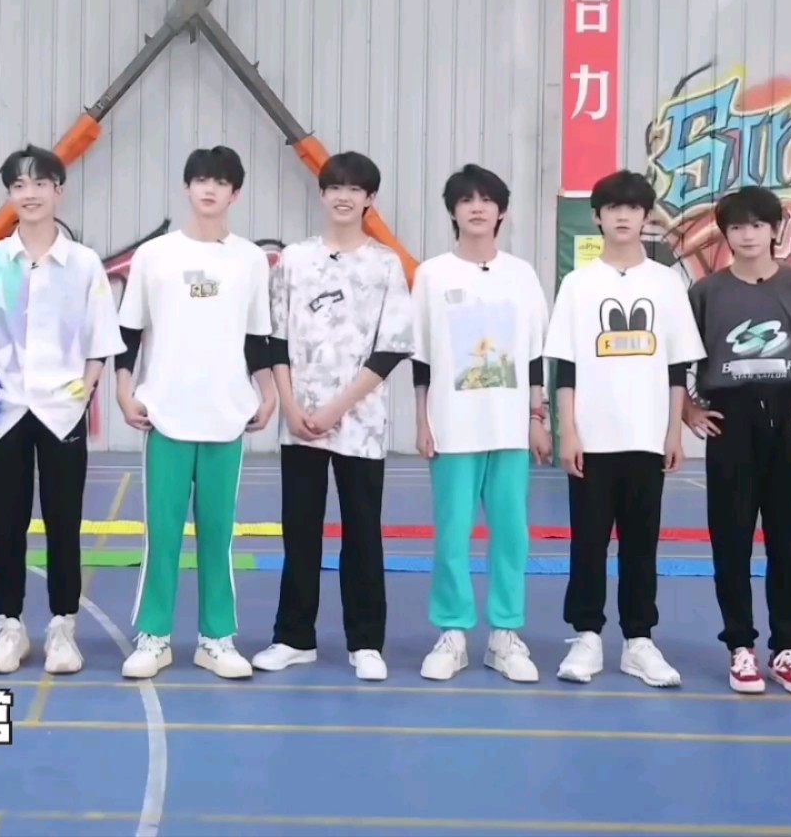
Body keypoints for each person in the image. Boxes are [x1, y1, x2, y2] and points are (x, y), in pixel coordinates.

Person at [0, 145, 125, 675]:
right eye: (18, 185)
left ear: (58, 190)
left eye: (39, 183)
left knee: (63, 522)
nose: (29, 194)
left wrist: (83, 393)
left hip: (61, 412)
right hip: (2, 410)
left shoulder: (83, 264)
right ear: (10, 194)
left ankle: (62, 627)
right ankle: (9, 626)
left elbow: (101, 341)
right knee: (3, 524)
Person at [683, 186, 791, 696]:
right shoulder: (706, 293)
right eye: (737, 226)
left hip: (790, 422)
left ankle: (787, 649)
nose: (747, 235)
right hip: (730, 422)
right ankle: (740, 646)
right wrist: (689, 409)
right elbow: (675, 360)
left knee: (788, 537)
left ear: (775, 230)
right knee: (731, 537)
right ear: (725, 234)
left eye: (757, 225)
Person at [115, 145, 278, 680]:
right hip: (165, 414)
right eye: (201, 179)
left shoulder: (249, 259)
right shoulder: (155, 255)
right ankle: (155, 636)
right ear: (187, 187)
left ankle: (216, 638)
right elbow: (128, 331)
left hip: (226, 416)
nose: (210, 189)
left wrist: (268, 392)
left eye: (221, 181)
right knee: (162, 533)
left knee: (218, 534)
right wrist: (123, 389)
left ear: (236, 193)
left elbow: (258, 337)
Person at [251, 151, 413, 682]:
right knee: (299, 531)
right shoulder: (295, 260)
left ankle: (365, 642)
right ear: (322, 195)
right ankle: (293, 637)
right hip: (300, 423)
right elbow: (275, 337)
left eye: (355, 189)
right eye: (335, 187)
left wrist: (338, 407)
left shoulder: (385, 265)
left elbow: (391, 348)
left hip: (360, 425)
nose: (344, 196)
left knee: (362, 532)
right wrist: (290, 404)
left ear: (370, 199)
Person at [543, 169, 705, 689]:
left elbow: (677, 365)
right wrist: (568, 431)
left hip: (647, 437)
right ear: (597, 216)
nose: (622, 216)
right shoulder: (578, 283)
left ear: (645, 217)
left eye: (632, 208)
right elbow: (565, 366)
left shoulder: (666, 283)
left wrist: (674, 431)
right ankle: (587, 636)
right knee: (588, 543)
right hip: (592, 439)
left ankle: (639, 641)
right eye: (612, 207)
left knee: (641, 543)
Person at [409, 165, 552, 683]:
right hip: (453, 426)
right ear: (453, 210)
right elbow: (421, 357)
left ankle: (504, 635)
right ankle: (452, 633)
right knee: (452, 534)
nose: (476, 207)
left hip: (510, 428)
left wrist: (536, 416)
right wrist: (422, 419)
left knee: (512, 534)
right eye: (466, 199)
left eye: (486, 199)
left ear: (501, 211)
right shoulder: (432, 275)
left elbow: (534, 356)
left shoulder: (522, 274)